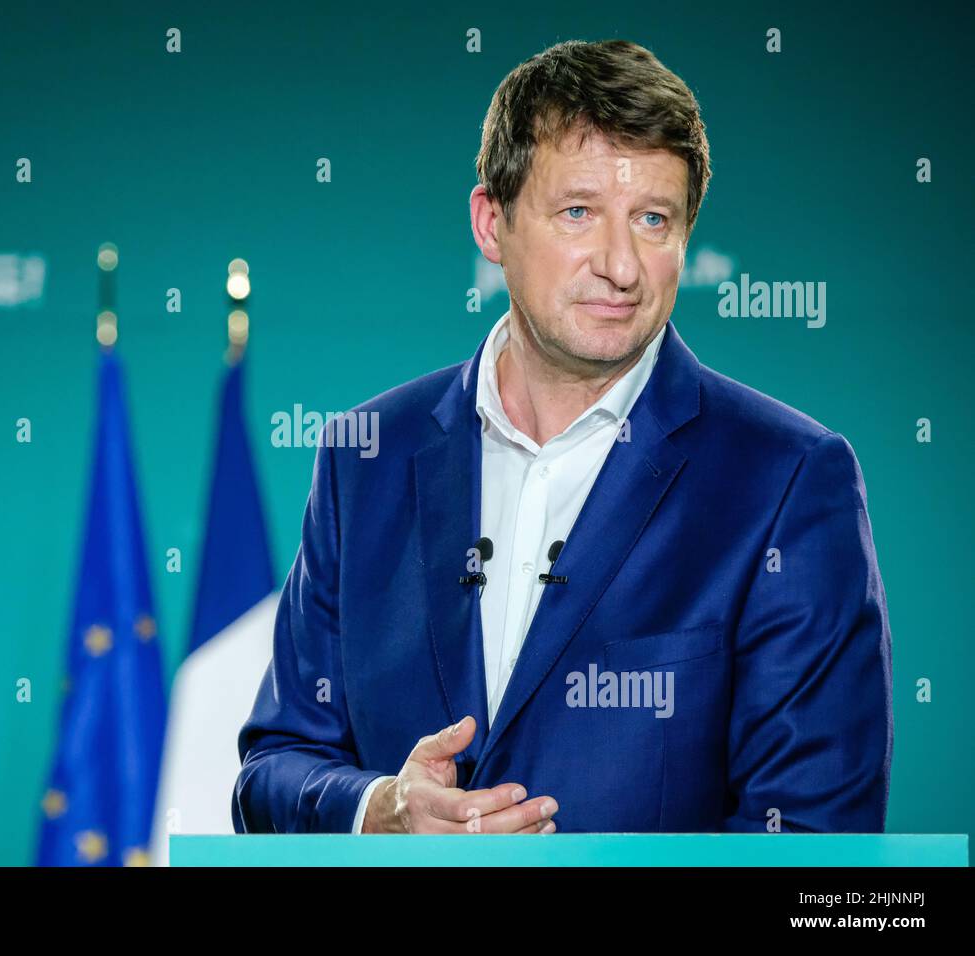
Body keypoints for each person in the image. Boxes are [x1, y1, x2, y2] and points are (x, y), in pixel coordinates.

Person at [233, 39, 892, 835]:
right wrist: (379, 811)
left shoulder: (787, 481)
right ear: (492, 221)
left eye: (653, 220)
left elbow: (817, 854)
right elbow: (271, 772)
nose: (621, 265)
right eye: (578, 212)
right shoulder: (362, 456)